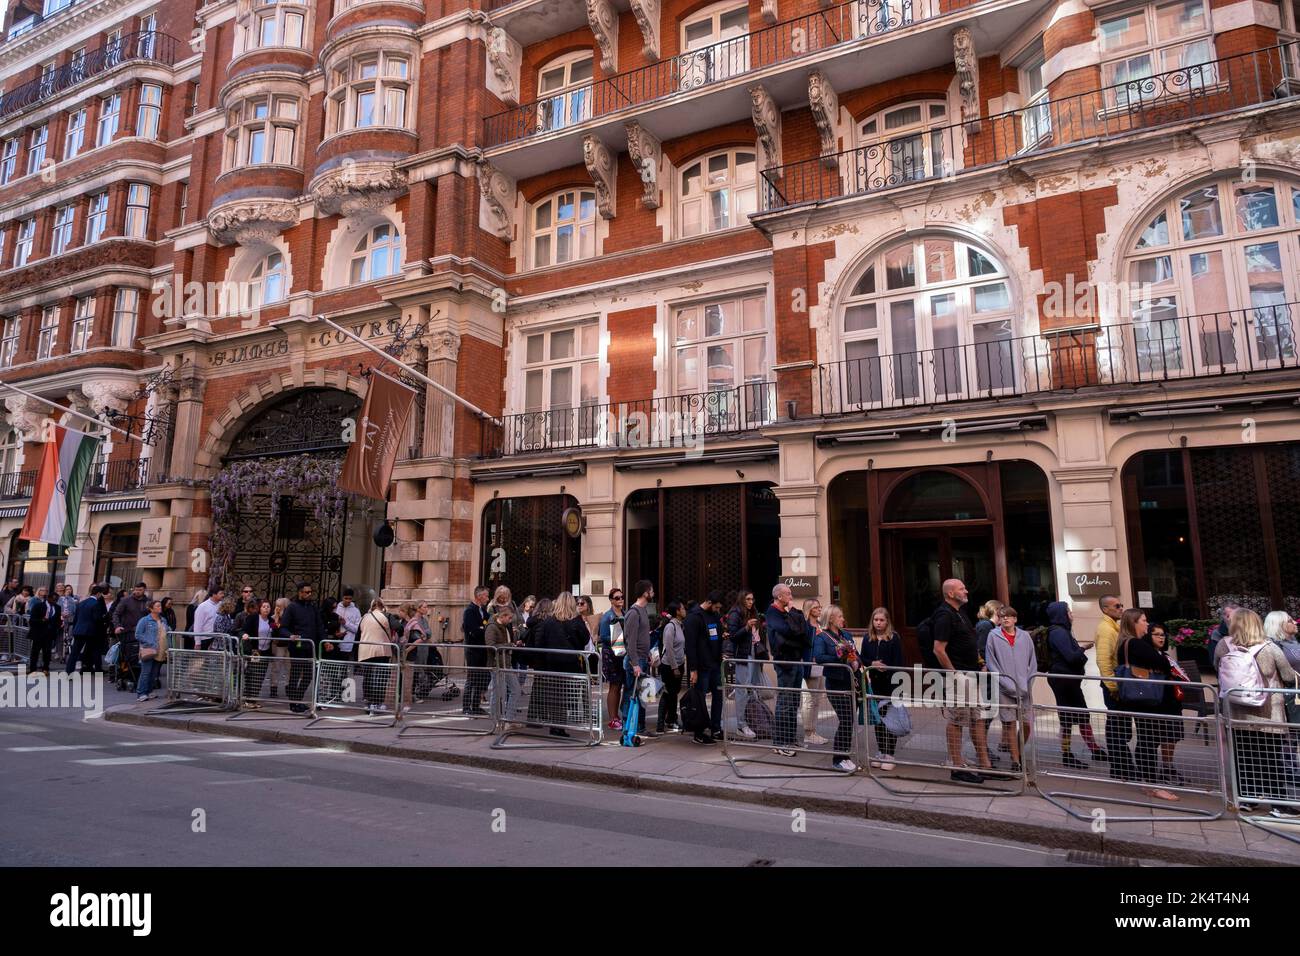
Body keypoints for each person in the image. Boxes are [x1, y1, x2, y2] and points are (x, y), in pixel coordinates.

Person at [1220, 608, 1299, 815]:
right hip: (1268, 713)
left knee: (1245, 758)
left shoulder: (1224, 646)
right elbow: (1289, 676)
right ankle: (1279, 804)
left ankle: (1247, 799)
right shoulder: (1270, 648)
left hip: (1237, 712)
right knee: (1272, 759)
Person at [932, 578, 993, 784]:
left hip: (972, 675)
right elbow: (938, 649)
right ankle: (957, 767)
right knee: (957, 720)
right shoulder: (944, 615)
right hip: (958, 678)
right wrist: (954, 674)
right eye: (962, 589)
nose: (966, 591)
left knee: (978, 719)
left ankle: (986, 766)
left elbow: (969, 642)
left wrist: (980, 662)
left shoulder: (961, 613)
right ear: (950, 593)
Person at [1115, 608, 1179, 803]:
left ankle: (1148, 782)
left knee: (1147, 737)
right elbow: (1162, 662)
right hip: (1145, 697)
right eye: (1143, 620)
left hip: (1139, 696)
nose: (1146, 623)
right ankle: (1151, 784)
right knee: (1148, 738)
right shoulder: (1134, 643)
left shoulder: (1127, 643)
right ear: (1134, 623)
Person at [1044, 600, 1107, 770]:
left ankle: (1093, 748)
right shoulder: (1058, 633)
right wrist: (1083, 648)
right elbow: (1071, 657)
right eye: (1069, 611)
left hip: (1068, 679)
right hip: (1064, 680)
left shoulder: (1062, 631)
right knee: (1067, 718)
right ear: (1061, 614)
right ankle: (1067, 754)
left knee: (1080, 715)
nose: (1071, 614)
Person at [983, 605, 1036, 774]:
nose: (1005, 619)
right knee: (1010, 724)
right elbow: (991, 662)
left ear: (1015, 619)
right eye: (1002, 616)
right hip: (1005, 688)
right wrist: (1005, 683)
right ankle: (1015, 760)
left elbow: (1032, 662)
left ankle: (1019, 751)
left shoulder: (1025, 636)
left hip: (1024, 689)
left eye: (1009, 616)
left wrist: (1029, 683)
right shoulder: (993, 636)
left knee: (1027, 723)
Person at [1094, 594, 1138, 783]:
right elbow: (1103, 660)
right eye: (1117, 606)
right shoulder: (1106, 629)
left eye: (1121, 605)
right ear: (1105, 609)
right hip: (1114, 686)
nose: (1121, 608)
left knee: (1120, 726)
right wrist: (1113, 686)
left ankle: (1123, 767)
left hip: (1118, 684)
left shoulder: (1114, 627)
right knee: (1117, 727)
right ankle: (1121, 767)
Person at [814, 605, 861, 772]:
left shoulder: (846, 635)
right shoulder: (822, 637)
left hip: (851, 681)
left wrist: (856, 661)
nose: (843, 619)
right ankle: (838, 758)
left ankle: (845, 755)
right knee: (846, 719)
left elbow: (856, 654)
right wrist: (841, 657)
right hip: (835, 683)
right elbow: (819, 657)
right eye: (840, 616)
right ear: (831, 619)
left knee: (850, 720)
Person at [766, 582, 809, 756]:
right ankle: (780, 742)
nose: (791, 597)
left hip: (796, 661)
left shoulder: (790, 612)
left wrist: (794, 620)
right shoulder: (773, 613)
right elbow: (787, 631)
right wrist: (795, 628)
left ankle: (790, 739)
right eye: (789, 594)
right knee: (784, 702)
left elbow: (803, 632)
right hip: (785, 662)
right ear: (779, 596)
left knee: (793, 702)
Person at [1148, 623, 1189, 787]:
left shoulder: (1166, 655)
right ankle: (1162, 770)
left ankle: (1168, 766)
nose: (1160, 637)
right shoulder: (1150, 655)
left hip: (1173, 699)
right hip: (1160, 700)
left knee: (1172, 736)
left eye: (1163, 635)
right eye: (1156, 634)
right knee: (1163, 735)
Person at [863, 607, 903, 770]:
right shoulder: (868, 638)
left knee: (890, 720)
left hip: (891, 684)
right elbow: (862, 657)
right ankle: (880, 751)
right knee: (878, 720)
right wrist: (872, 664)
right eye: (876, 620)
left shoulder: (894, 638)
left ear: (887, 622)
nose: (878, 623)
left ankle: (889, 754)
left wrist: (886, 668)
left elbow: (899, 661)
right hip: (875, 685)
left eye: (882, 620)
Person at [684, 591, 725, 743]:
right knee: (699, 699)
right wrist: (693, 669)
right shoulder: (694, 617)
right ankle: (699, 732)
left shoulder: (715, 616)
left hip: (715, 664)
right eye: (716, 607)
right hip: (701, 666)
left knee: (718, 696)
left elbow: (717, 636)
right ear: (708, 602)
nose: (717, 610)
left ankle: (716, 728)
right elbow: (691, 646)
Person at [280, 582, 324, 713]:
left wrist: (325, 641)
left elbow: (319, 626)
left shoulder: (313, 607)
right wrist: (291, 635)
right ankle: (293, 703)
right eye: (307, 592)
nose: (309, 594)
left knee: (309, 675)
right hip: (297, 647)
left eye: (311, 592)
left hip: (311, 647)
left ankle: (298, 698)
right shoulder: (292, 607)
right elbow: (283, 628)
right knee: (295, 674)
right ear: (300, 592)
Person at [726, 591, 763, 740]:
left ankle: (750, 719)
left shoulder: (752, 612)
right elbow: (733, 636)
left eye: (752, 599)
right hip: (743, 655)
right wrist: (747, 627)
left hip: (753, 652)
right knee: (742, 689)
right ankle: (741, 724)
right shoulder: (735, 613)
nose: (751, 601)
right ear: (741, 600)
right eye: (748, 599)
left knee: (751, 688)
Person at [622, 580, 655, 738]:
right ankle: (627, 729)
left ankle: (640, 727)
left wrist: (648, 654)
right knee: (631, 694)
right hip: (635, 661)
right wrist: (635, 664)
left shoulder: (643, 610)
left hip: (643, 658)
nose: (653, 593)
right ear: (645, 593)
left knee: (643, 695)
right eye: (651, 590)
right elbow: (630, 641)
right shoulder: (634, 613)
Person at [800, 599, 830, 747]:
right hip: (809, 665)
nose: (819, 610)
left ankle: (813, 730)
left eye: (820, 607)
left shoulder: (820, 625)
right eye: (816, 608)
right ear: (810, 610)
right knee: (809, 700)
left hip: (820, 665)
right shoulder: (805, 626)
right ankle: (808, 732)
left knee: (817, 699)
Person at [485, 605, 522, 722]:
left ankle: (509, 719)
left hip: (507, 663)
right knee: (498, 693)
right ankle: (494, 720)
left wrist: (515, 643)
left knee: (515, 689)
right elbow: (490, 645)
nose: (510, 621)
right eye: (509, 618)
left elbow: (506, 642)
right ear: (503, 616)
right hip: (497, 665)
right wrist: (509, 645)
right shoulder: (492, 627)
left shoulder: (505, 627)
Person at [598, 587, 626, 731]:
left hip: (622, 654)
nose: (620, 599)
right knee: (614, 686)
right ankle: (612, 718)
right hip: (611, 654)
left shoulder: (625, 613)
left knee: (620, 686)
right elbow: (602, 637)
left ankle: (617, 716)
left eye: (621, 597)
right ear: (611, 600)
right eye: (617, 598)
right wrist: (618, 638)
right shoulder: (607, 617)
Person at [461, 585, 491, 716]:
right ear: (479, 596)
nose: (488, 598)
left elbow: (488, 625)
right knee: (472, 678)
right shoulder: (470, 611)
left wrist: (483, 629)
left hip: (483, 650)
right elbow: (473, 630)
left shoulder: (483, 611)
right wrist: (484, 630)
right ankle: (466, 707)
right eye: (486, 595)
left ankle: (476, 705)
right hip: (473, 650)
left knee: (482, 677)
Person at [657, 599, 687, 734]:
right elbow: (668, 648)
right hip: (669, 666)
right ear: (677, 611)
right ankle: (661, 723)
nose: (684, 610)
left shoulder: (680, 625)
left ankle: (671, 719)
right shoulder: (671, 626)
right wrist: (674, 667)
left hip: (678, 665)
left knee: (674, 694)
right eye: (682, 608)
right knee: (667, 693)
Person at [240, 600, 277, 705]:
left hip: (266, 651)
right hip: (255, 650)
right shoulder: (254, 618)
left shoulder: (271, 620)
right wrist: (245, 635)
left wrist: (277, 617)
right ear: (260, 608)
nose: (266, 608)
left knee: (261, 676)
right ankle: (247, 699)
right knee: (252, 674)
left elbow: (277, 630)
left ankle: (253, 699)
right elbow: (243, 630)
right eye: (264, 606)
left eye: (268, 607)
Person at [66, 585, 108, 675]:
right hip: (91, 631)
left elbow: (76, 618)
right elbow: (97, 619)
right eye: (101, 594)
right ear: (98, 594)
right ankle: (97, 670)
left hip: (78, 630)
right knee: (96, 651)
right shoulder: (96, 604)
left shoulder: (81, 603)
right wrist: (104, 619)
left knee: (74, 653)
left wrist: (74, 629)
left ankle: (69, 672)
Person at [133, 599, 168, 702]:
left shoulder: (163, 620)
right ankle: (141, 693)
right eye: (157, 606)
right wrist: (150, 642)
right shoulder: (145, 620)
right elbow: (138, 635)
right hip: (149, 649)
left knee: (154, 673)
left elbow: (166, 634)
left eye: (160, 606)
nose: (160, 607)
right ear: (151, 608)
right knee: (146, 672)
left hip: (160, 650)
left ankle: (149, 691)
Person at [1207, 601, 1240, 668]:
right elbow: (1215, 662)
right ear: (1223, 616)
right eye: (1228, 616)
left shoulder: (1246, 631)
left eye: (1236, 616)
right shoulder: (1216, 635)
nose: (1231, 619)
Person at [337, 589, 362, 659]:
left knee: (346, 666)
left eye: (350, 599)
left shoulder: (356, 611)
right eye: (346, 598)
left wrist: (346, 623)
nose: (348, 600)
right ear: (342, 597)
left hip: (348, 645)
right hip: (335, 642)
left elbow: (357, 629)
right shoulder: (336, 608)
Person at [974, 598, 1001, 663]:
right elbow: (982, 648)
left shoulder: (991, 625)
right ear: (996, 610)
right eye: (1002, 610)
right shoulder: (985, 625)